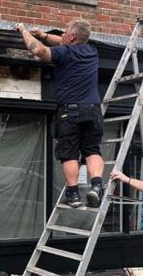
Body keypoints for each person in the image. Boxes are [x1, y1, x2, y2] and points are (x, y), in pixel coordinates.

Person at [16, 20, 104, 208]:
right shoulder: (92, 51)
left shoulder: (64, 53)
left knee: (69, 153)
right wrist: (45, 35)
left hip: (70, 112)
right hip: (93, 110)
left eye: (65, 32)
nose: (62, 35)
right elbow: (62, 41)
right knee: (92, 150)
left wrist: (23, 30)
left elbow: (39, 50)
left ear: (72, 36)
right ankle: (97, 186)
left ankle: (73, 195)